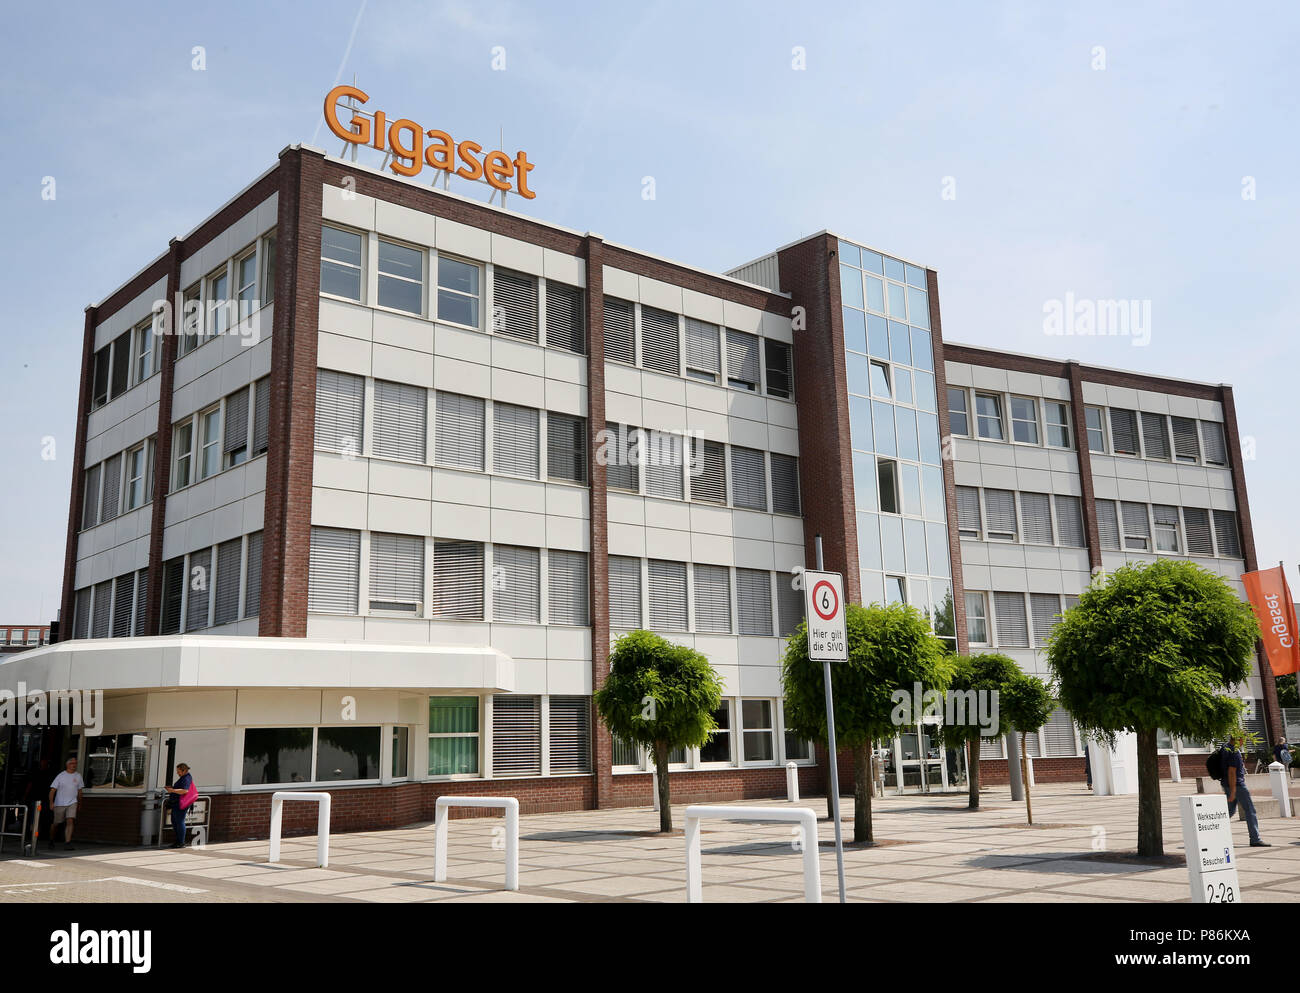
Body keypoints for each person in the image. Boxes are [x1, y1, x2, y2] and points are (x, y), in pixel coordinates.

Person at [1222, 737, 1269, 848]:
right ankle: (1255, 839)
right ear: (1239, 739)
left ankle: (1212, 833)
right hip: (1237, 785)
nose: (1244, 742)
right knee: (1250, 810)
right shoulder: (1234, 751)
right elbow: (1232, 772)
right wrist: (1233, 791)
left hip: (1227, 784)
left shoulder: (1225, 748)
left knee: (1229, 811)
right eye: (1243, 740)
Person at [48, 757, 84, 851]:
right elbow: (52, 790)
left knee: (70, 820)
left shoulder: (78, 776)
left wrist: (80, 804)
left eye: (75, 763)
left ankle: (68, 842)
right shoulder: (61, 776)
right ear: (67, 765)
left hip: (72, 802)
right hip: (59, 803)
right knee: (56, 823)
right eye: (72, 763)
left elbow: (80, 792)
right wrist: (51, 803)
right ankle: (51, 839)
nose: (74, 765)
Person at [163, 763, 193, 849]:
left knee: (179, 821)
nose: (177, 773)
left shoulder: (186, 778)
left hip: (181, 803)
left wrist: (172, 790)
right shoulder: (183, 778)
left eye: (179, 771)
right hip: (176, 803)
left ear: (184, 770)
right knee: (174, 821)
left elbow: (185, 790)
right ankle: (178, 841)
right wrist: (172, 789)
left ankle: (181, 842)